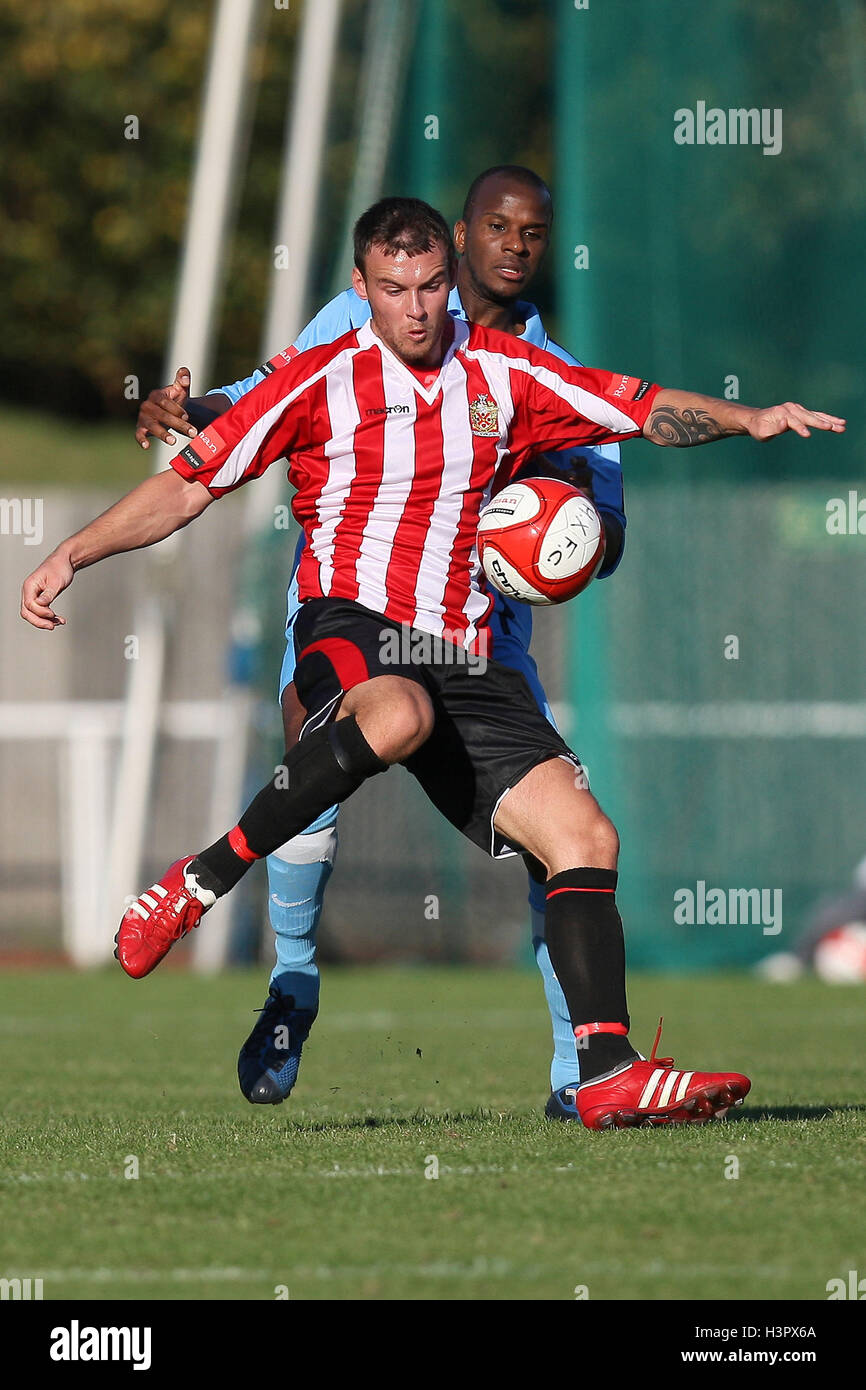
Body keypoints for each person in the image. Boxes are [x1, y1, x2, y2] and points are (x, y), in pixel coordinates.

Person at [22, 197, 844, 1129]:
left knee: (585, 839)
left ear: (447, 281)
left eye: (427, 289)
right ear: (363, 288)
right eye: (392, 289)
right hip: (351, 622)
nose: (414, 309)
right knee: (397, 711)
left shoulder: (507, 371)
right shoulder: (319, 380)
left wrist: (754, 417)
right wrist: (69, 555)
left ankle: (606, 1068)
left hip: (469, 653)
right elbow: (185, 488)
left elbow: (641, 408)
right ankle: (200, 880)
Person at [134, 166, 627, 1122]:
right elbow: (258, 400)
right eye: (497, 226)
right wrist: (187, 412)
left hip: (481, 637)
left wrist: (563, 530)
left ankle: (577, 1070)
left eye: (534, 232)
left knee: (556, 838)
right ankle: (295, 982)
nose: (515, 246)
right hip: (351, 602)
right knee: (309, 769)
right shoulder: (357, 315)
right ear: (459, 232)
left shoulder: (554, 375)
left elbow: (608, 533)